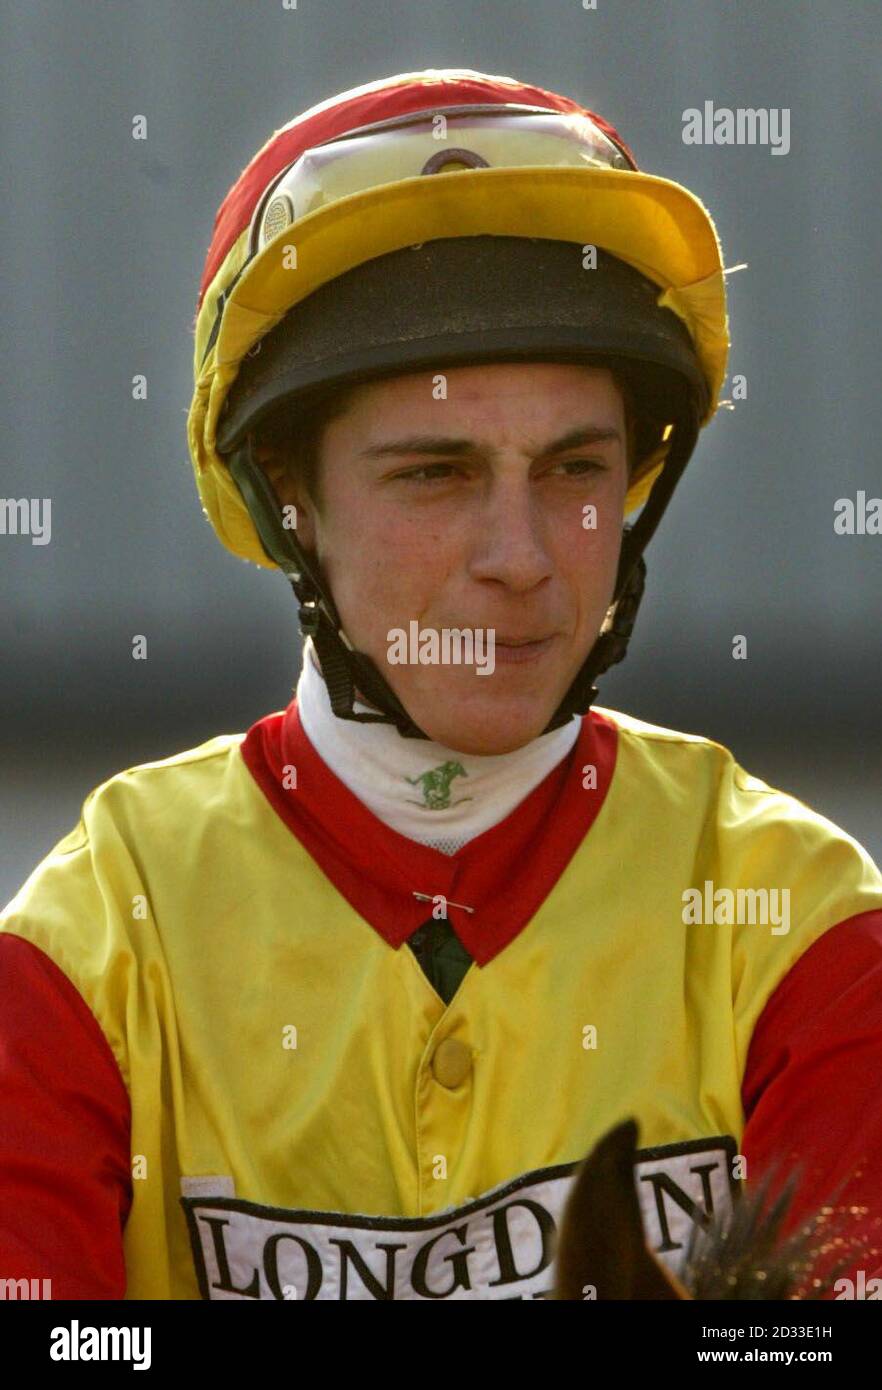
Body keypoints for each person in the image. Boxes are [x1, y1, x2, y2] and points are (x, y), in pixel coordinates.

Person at [1, 68, 881, 1303]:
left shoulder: (809, 928)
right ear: (286, 491)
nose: (520, 559)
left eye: (576, 467)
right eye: (435, 473)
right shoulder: (83, 952)